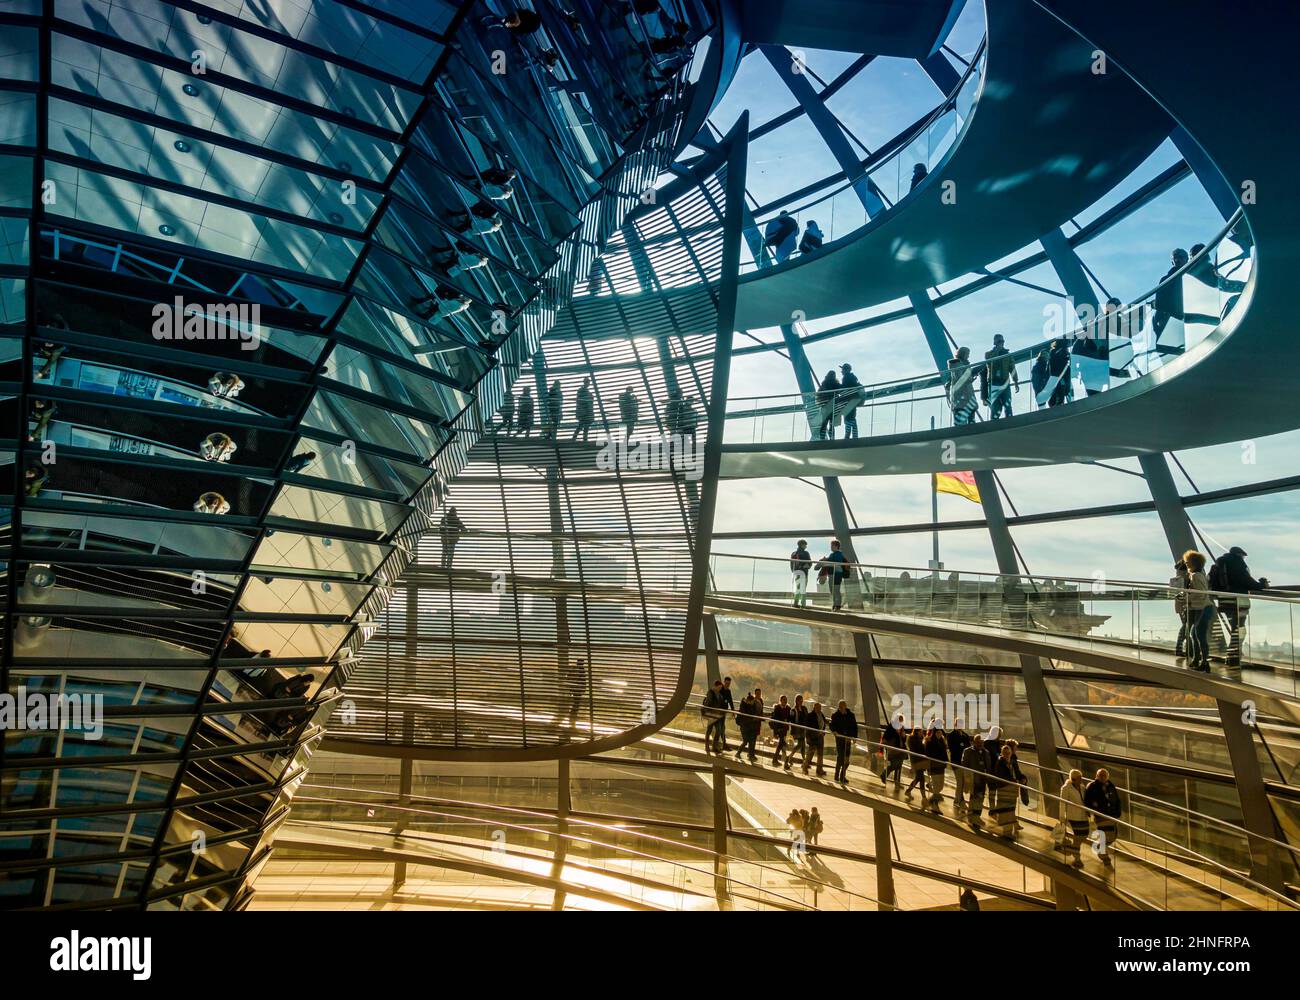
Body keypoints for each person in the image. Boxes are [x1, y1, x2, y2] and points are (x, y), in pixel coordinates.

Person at [1211, 545, 1270, 668]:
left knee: (1235, 629)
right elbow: (1246, 581)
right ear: (1240, 555)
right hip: (1238, 602)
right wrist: (1261, 584)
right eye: (1243, 556)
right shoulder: (1237, 563)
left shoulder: (1219, 563)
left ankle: (1232, 657)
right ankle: (1233, 659)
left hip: (1223, 601)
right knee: (1240, 630)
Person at [1181, 549, 1214, 672]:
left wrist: (1186, 598)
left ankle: (1204, 661)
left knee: (1198, 635)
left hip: (1203, 608)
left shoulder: (1196, 576)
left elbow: (1200, 594)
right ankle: (1198, 660)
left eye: (1187, 561)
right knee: (1195, 635)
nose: (1186, 564)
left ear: (1193, 563)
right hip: (1201, 608)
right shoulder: (1198, 575)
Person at [1084, 768, 1123, 867]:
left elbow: (1117, 799)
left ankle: (1099, 848)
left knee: (1113, 836)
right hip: (1101, 815)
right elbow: (1087, 800)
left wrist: (1118, 812)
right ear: (1096, 776)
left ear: (1107, 777)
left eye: (1104, 775)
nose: (1102, 777)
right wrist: (1091, 810)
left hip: (1112, 815)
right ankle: (1103, 855)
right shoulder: (1092, 786)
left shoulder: (1111, 786)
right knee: (1105, 835)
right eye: (1100, 775)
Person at [1152, 247, 1188, 343]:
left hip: (1188, 318)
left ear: (1186, 259)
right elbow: (1159, 304)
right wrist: (1156, 322)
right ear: (1172, 262)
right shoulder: (1165, 280)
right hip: (1170, 321)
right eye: (1175, 258)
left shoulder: (1192, 277)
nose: (1177, 260)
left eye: (1180, 257)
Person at [981, 334, 1019, 419]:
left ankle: (1009, 421)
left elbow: (1012, 368)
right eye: (999, 341)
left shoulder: (1008, 355)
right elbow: (990, 362)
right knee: (995, 406)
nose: (1001, 343)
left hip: (1005, 381)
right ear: (994, 342)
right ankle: (994, 423)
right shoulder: (988, 354)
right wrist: (997, 351)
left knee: (1007, 404)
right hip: (994, 382)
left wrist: (1016, 381)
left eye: (1002, 341)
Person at [1058, 769, 1090, 869]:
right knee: (1077, 836)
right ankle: (1077, 858)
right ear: (1073, 779)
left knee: (1084, 835)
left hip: (1083, 816)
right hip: (1073, 816)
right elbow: (1062, 803)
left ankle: (1071, 849)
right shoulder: (1066, 788)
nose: (1081, 780)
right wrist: (1062, 818)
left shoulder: (1082, 787)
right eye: (1079, 778)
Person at [988, 744, 1022, 838]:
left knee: (1009, 810)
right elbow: (1001, 776)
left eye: (1009, 753)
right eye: (1006, 753)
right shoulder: (1001, 762)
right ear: (1002, 753)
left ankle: (1008, 831)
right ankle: (1006, 832)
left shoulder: (1009, 762)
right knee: (1006, 811)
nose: (1008, 755)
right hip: (1004, 789)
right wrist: (1014, 781)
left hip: (1009, 790)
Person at [961, 734, 992, 828]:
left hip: (982, 778)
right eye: (978, 742)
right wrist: (967, 776)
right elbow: (964, 763)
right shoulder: (968, 751)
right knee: (974, 797)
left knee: (980, 798)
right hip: (973, 778)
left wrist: (988, 777)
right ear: (974, 742)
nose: (980, 744)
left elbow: (988, 765)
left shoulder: (986, 752)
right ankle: (972, 817)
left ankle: (977, 816)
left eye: (981, 742)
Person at [947, 346, 977, 424]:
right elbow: (961, 379)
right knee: (962, 426)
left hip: (966, 400)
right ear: (963, 354)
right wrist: (970, 378)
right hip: (961, 402)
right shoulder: (957, 366)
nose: (968, 356)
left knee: (968, 426)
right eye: (967, 354)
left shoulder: (962, 366)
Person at [947, 719, 973, 809]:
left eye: (962, 724)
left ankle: (960, 799)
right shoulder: (951, 735)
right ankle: (958, 800)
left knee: (964, 782)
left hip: (964, 763)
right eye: (959, 724)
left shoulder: (965, 735)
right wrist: (961, 746)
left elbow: (969, 748)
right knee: (960, 782)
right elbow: (952, 748)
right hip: (956, 761)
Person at [829, 700, 857, 783]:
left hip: (847, 739)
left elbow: (854, 727)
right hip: (840, 739)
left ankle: (842, 775)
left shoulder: (851, 715)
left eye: (842, 706)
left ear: (845, 706)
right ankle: (837, 775)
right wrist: (834, 731)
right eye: (840, 707)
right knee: (840, 757)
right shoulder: (835, 715)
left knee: (847, 760)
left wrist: (854, 737)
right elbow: (832, 725)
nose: (841, 708)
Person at [924, 724, 948, 812]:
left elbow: (945, 752)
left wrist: (945, 761)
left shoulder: (942, 741)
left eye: (940, 732)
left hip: (941, 767)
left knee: (940, 786)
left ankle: (931, 800)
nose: (939, 734)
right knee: (937, 787)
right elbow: (927, 754)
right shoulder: (930, 741)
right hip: (933, 767)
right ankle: (935, 805)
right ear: (934, 733)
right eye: (938, 732)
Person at [819, 539, 849, 611]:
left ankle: (837, 606)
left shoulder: (838, 554)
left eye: (832, 545)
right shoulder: (832, 554)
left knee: (836, 590)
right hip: (832, 574)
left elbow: (837, 564)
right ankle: (835, 604)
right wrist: (826, 560)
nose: (831, 547)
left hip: (837, 574)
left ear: (836, 546)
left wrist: (827, 561)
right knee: (833, 590)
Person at [880, 714, 906, 787]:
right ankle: (884, 774)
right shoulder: (891, 726)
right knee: (894, 764)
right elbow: (886, 737)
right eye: (900, 720)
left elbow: (903, 739)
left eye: (902, 720)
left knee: (899, 765)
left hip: (900, 749)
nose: (901, 721)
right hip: (892, 749)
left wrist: (904, 736)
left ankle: (896, 782)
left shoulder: (901, 727)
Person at [736, 690, 761, 763]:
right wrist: (753, 719)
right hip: (745, 726)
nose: (753, 703)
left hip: (749, 726)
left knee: (749, 741)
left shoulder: (750, 705)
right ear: (749, 701)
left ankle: (749, 755)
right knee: (746, 741)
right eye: (752, 701)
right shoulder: (744, 706)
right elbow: (746, 717)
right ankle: (738, 753)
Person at [702, 679, 726, 753]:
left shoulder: (719, 694)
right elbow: (707, 703)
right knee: (709, 730)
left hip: (716, 715)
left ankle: (714, 747)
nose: (720, 689)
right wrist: (708, 711)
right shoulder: (711, 692)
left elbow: (720, 703)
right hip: (711, 715)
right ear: (716, 686)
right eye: (719, 687)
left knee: (718, 730)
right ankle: (707, 746)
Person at [839, 363, 862, 439]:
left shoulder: (846, 378)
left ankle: (847, 436)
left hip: (848, 400)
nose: (841, 371)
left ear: (846, 370)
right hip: (854, 400)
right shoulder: (853, 378)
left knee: (848, 418)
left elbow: (844, 389)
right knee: (852, 418)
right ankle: (855, 436)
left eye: (842, 369)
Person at [769, 694, 794, 767]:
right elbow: (775, 720)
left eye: (786, 700)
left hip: (784, 729)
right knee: (782, 744)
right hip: (779, 729)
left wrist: (790, 717)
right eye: (784, 700)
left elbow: (789, 718)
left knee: (781, 745)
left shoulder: (788, 708)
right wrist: (775, 732)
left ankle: (777, 759)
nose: (785, 701)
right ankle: (785, 761)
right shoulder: (777, 708)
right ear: (781, 700)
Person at [816, 369, 840, 440]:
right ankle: (832, 438)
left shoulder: (824, 384)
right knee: (832, 424)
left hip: (825, 406)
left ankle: (822, 438)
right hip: (833, 406)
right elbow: (840, 390)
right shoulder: (836, 384)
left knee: (824, 423)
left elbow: (819, 394)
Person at [805, 701, 828, 776]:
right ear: (814, 707)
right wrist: (808, 737)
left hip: (820, 736)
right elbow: (807, 727)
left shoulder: (821, 714)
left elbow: (824, 723)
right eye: (818, 707)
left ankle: (819, 769)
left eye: (820, 707)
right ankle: (805, 766)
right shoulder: (810, 715)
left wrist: (823, 731)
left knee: (820, 753)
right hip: (813, 736)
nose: (819, 709)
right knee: (811, 752)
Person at [788, 694, 810, 771]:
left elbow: (807, 717)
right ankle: (790, 757)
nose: (801, 702)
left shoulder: (804, 708)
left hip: (803, 729)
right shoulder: (793, 710)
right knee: (800, 744)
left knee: (803, 745)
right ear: (796, 701)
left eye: (801, 701)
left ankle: (804, 761)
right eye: (799, 700)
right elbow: (791, 720)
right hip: (797, 730)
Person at [1047, 339, 1072, 407]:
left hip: (1057, 376)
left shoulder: (1053, 352)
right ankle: (1059, 405)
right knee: (1062, 391)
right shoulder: (1062, 351)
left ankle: (1057, 405)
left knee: (1059, 391)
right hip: (1061, 375)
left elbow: (1051, 365)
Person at [904, 727, 927, 798]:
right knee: (921, 779)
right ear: (916, 732)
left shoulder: (919, 739)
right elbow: (918, 750)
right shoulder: (912, 739)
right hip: (916, 762)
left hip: (919, 761)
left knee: (918, 778)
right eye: (920, 732)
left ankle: (908, 791)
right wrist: (924, 744)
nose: (922, 733)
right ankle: (924, 797)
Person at [790, 539, 812, 606]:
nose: (806, 546)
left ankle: (795, 603)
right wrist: (806, 566)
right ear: (802, 545)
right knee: (803, 588)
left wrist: (793, 571)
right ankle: (803, 604)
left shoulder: (793, 553)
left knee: (797, 588)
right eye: (805, 545)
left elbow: (791, 565)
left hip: (796, 573)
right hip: (804, 573)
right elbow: (809, 563)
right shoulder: (806, 553)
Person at [718, 676, 735, 751]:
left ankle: (723, 744)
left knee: (722, 728)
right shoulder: (720, 690)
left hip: (723, 711)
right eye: (727, 683)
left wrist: (733, 710)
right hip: (718, 711)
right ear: (724, 682)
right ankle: (722, 744)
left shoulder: (728, 691)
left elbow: (730, 701)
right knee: (720, 728)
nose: (728, 685)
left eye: (729, 684)